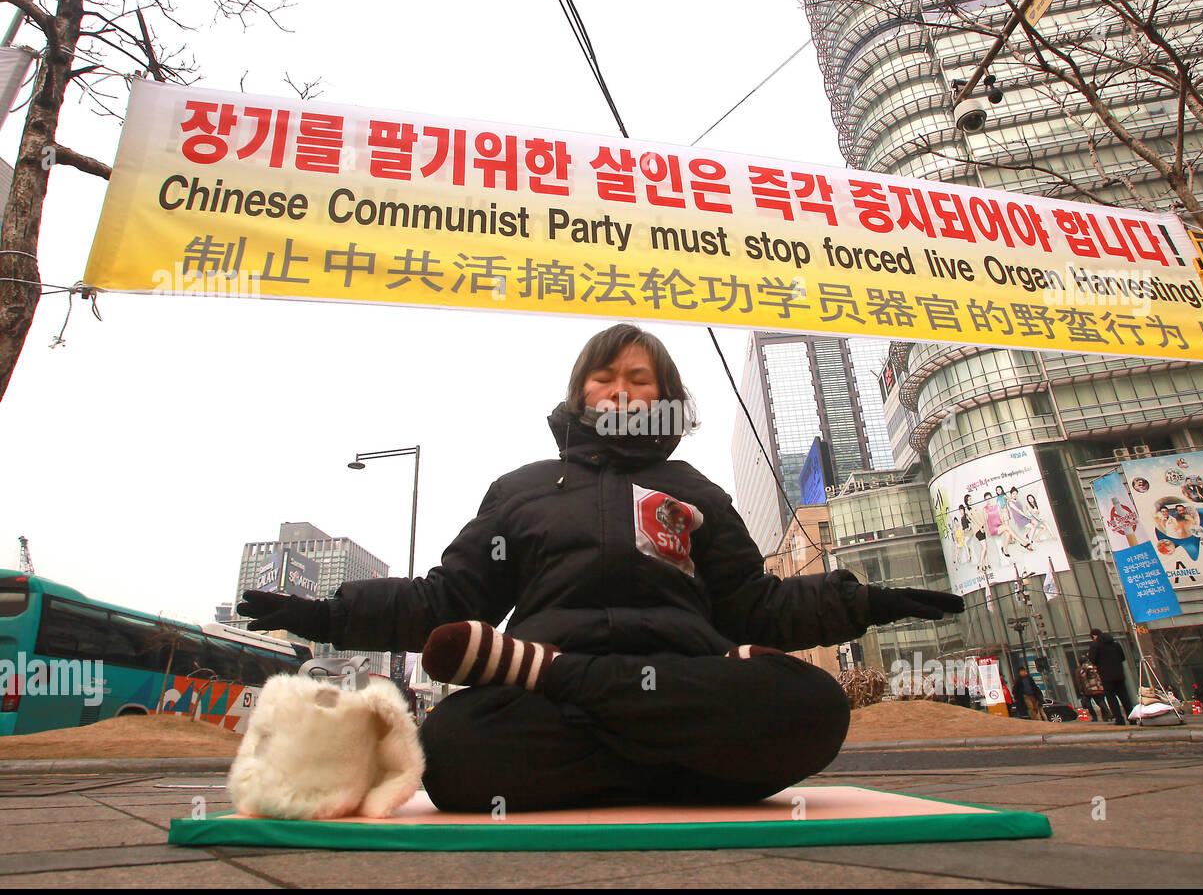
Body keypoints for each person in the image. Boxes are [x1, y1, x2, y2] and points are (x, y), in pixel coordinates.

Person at [237, 323, 965, 813]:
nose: (620, 390)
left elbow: (757, 608)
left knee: (815, 705)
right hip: (589, 706)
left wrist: (864, 600)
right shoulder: (520, 489)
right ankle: (676, 762)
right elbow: (449, 597)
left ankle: (597, 727)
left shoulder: (695, 490)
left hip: (669, 677)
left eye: (639, 379)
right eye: (604, 377)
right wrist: (330, 613)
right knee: (449, 746)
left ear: (663, 398)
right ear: (580, 393)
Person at [1087, 627, 1134, 725]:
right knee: (1124, 696)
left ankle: (1119, 719)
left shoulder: (1095, 645)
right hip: (1119, 673)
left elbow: (1093, 659)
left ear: (1094, 636)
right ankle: (1132, 718)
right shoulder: (1115, 643)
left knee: (1111, 698)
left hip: (1106, 675)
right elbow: (1122, 657)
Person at [1074, 657, 1110, 722]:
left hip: (1087, 689)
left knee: (1088, 704)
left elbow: (1080, 681)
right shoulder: (1094, 667)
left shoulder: (1080, 670)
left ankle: (1094, 717)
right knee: (1100, 701)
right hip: (1097, 688)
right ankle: (1106, 715)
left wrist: (1081, 690)